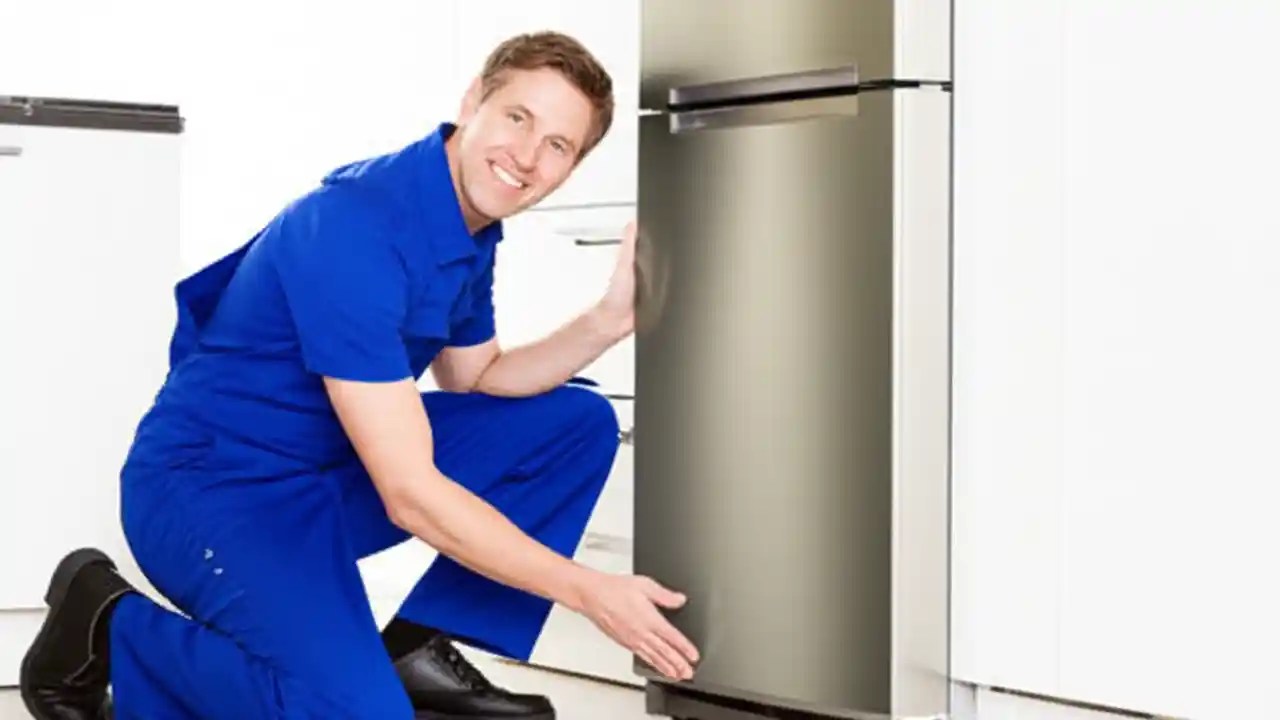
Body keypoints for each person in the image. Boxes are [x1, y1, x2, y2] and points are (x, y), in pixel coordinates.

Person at [19, 30, 699, 720]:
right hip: (215, 493)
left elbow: (475, 376)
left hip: (326, 475)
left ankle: (415, 650)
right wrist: (587, 589)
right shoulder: (355, 227)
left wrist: (609, 322)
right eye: (518, 118)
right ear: (473, 103)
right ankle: (107, 623)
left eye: (558, 145)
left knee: (575, 423)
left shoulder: (467, 223)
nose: (526, 156)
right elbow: (410, 495)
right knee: (354, 714)